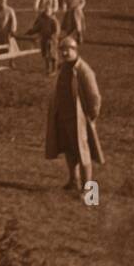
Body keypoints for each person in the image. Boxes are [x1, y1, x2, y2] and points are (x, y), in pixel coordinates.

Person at [45, 36, 105, 194]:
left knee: (83, 153)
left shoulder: (84, 70)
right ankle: (74, 180)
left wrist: (91, 117)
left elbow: (95, 97)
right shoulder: (64, 68)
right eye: (62, 50)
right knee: (69, 150)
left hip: (79, 120)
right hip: (63, 117)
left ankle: (90, 191)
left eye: (68, 50)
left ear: (75, 50)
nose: (64, 53)